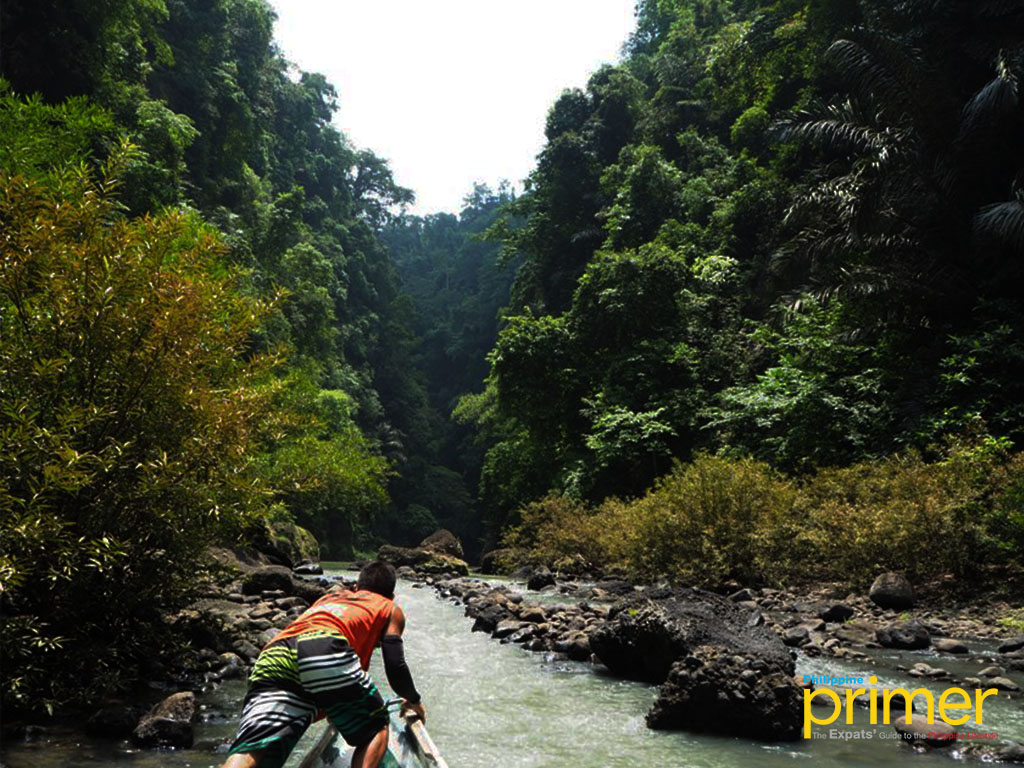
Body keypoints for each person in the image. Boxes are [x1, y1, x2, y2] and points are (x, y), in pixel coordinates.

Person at [220, 560, 425, 768]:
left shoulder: (330, 598)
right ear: (391, 596)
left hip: (273, 654)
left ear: (356, 588)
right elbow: (395, 665)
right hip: (324, 646)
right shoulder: (389, 608)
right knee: (376, 727)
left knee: (254, 748)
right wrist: (413, 699)